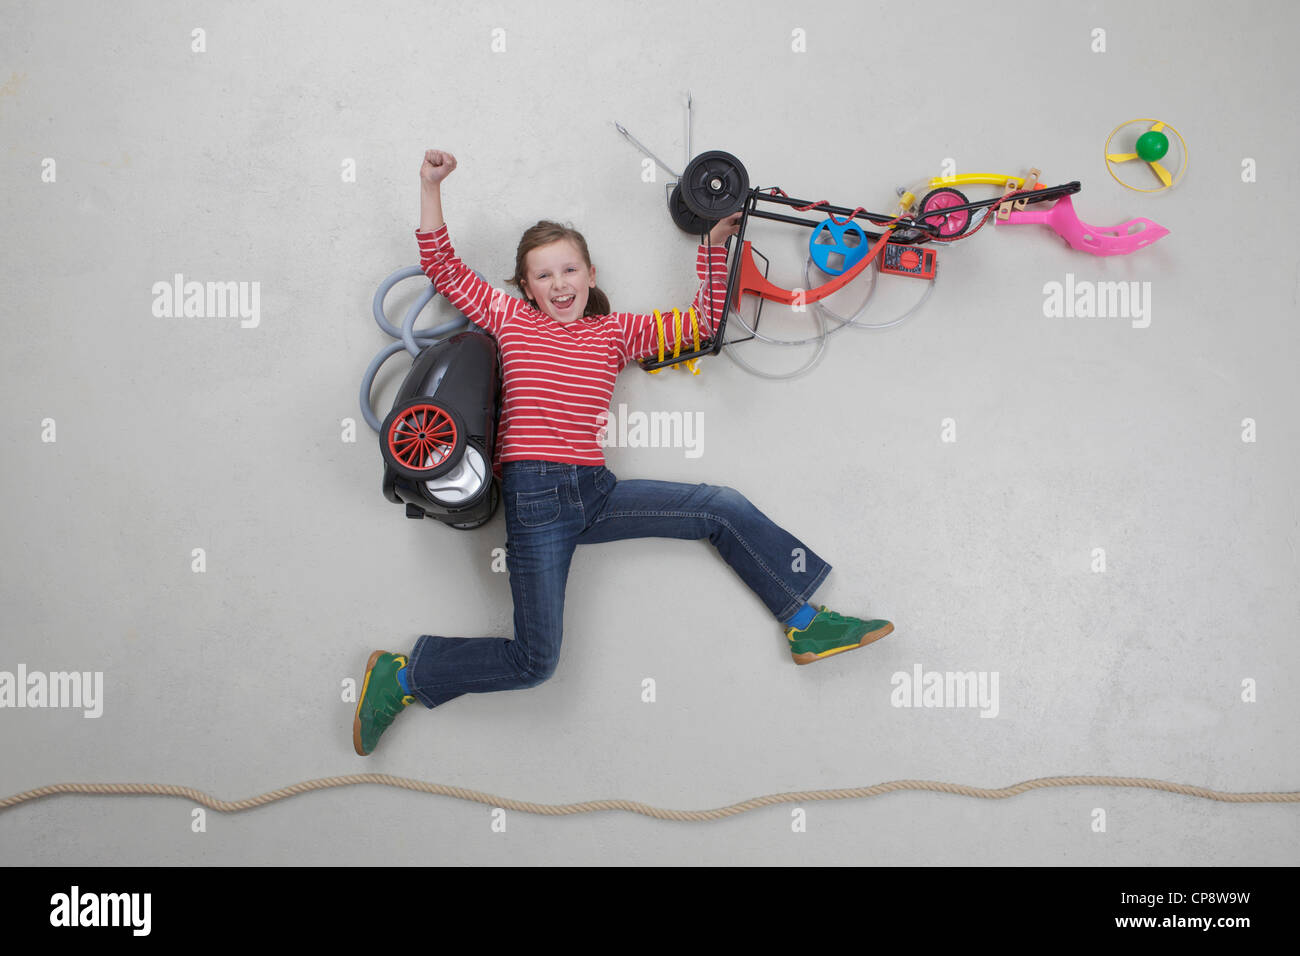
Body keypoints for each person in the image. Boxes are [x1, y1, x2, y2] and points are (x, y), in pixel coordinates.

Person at [353, 148, 894, 756]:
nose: (560, 285)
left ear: (590, 273)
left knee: (720, 507)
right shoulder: (511, 320)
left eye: (569, 270)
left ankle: (806, 624)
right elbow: (444, 268)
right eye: (544, 276)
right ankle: (401, 677)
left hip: (596, 492)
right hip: (536, 501)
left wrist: (713, 245)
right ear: (525, 287)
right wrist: (431, 186)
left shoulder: (615, 333)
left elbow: (699, 325)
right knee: (535, 663)